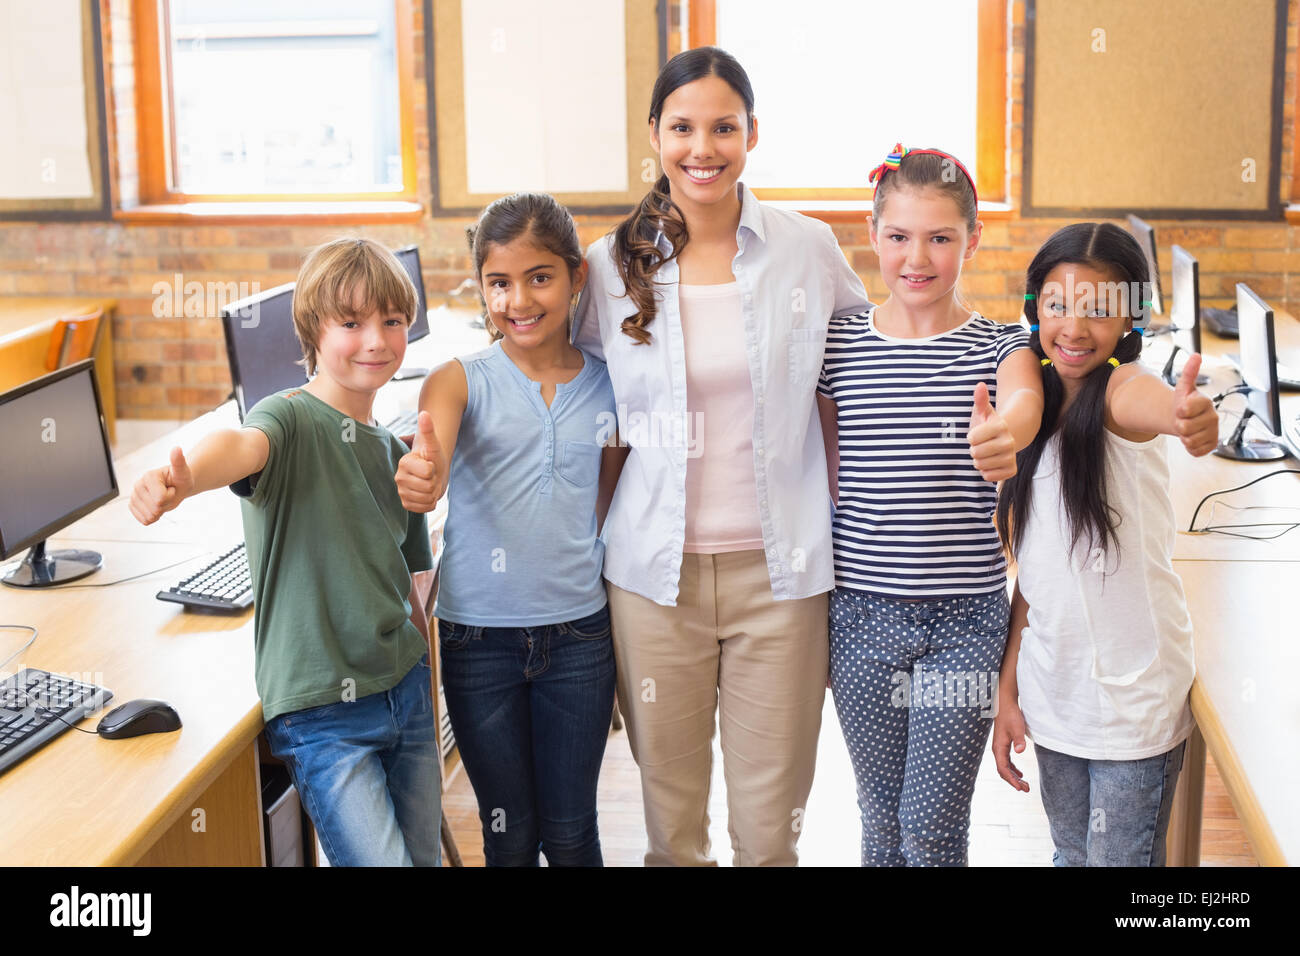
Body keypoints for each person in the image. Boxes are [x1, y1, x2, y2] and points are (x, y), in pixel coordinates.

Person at [573, 46, 869, 867]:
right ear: (656, 136)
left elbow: (868, 368)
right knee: (672, 833)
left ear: (752, 134)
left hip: (781, 581)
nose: (702, 147)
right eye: (683, 128)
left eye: (723, 127)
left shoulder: (806, 249)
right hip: (650, 578)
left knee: (771, 834)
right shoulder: (606, 264)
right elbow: (563, 390)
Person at [130, 237, 440, 866]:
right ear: (313, 332)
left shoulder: (390, 450)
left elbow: (409, 589)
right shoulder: (289, 421)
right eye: (351, 323)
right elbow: (241, 447)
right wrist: (186, 479)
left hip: (404, 692)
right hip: (324, 715)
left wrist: (425, 681)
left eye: (392, 320)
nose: (376, 340)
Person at [817, 144, 1044, 866]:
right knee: (881, 820)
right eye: (900, 237)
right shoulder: (839, 345)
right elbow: (818, 470)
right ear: (872, 234)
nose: (918, 257)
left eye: (941, 238)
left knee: (932, 827)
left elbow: (1023, 404)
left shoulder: (1000, 346)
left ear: (971, 240)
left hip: (966, 622)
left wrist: (1003, 436)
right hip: (859, 615)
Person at [396, 193, 618, 866]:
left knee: (573, 830)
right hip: (477, 640)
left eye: (539, 277)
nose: (519, 299)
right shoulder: (459, 380)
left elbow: (620, 499)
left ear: (577, 276)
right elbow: (429, 447)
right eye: (500, 282)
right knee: (508, 832)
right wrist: (423, 474)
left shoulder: (613, 384)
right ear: (483, 287)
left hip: (580, 634)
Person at [991, 221, 1218, 866]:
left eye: (1097, 312)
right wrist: (1009, 689)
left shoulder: (1121, 391)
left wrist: (1186, 419)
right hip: (1055, 697)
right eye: (1057, 306)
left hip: (1132, 711)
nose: (1072, 328)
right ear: (1034, 306)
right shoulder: (1030, 399)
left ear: (1131, 320)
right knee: (1069, 857)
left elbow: (1154, 405)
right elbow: (1033, 581)